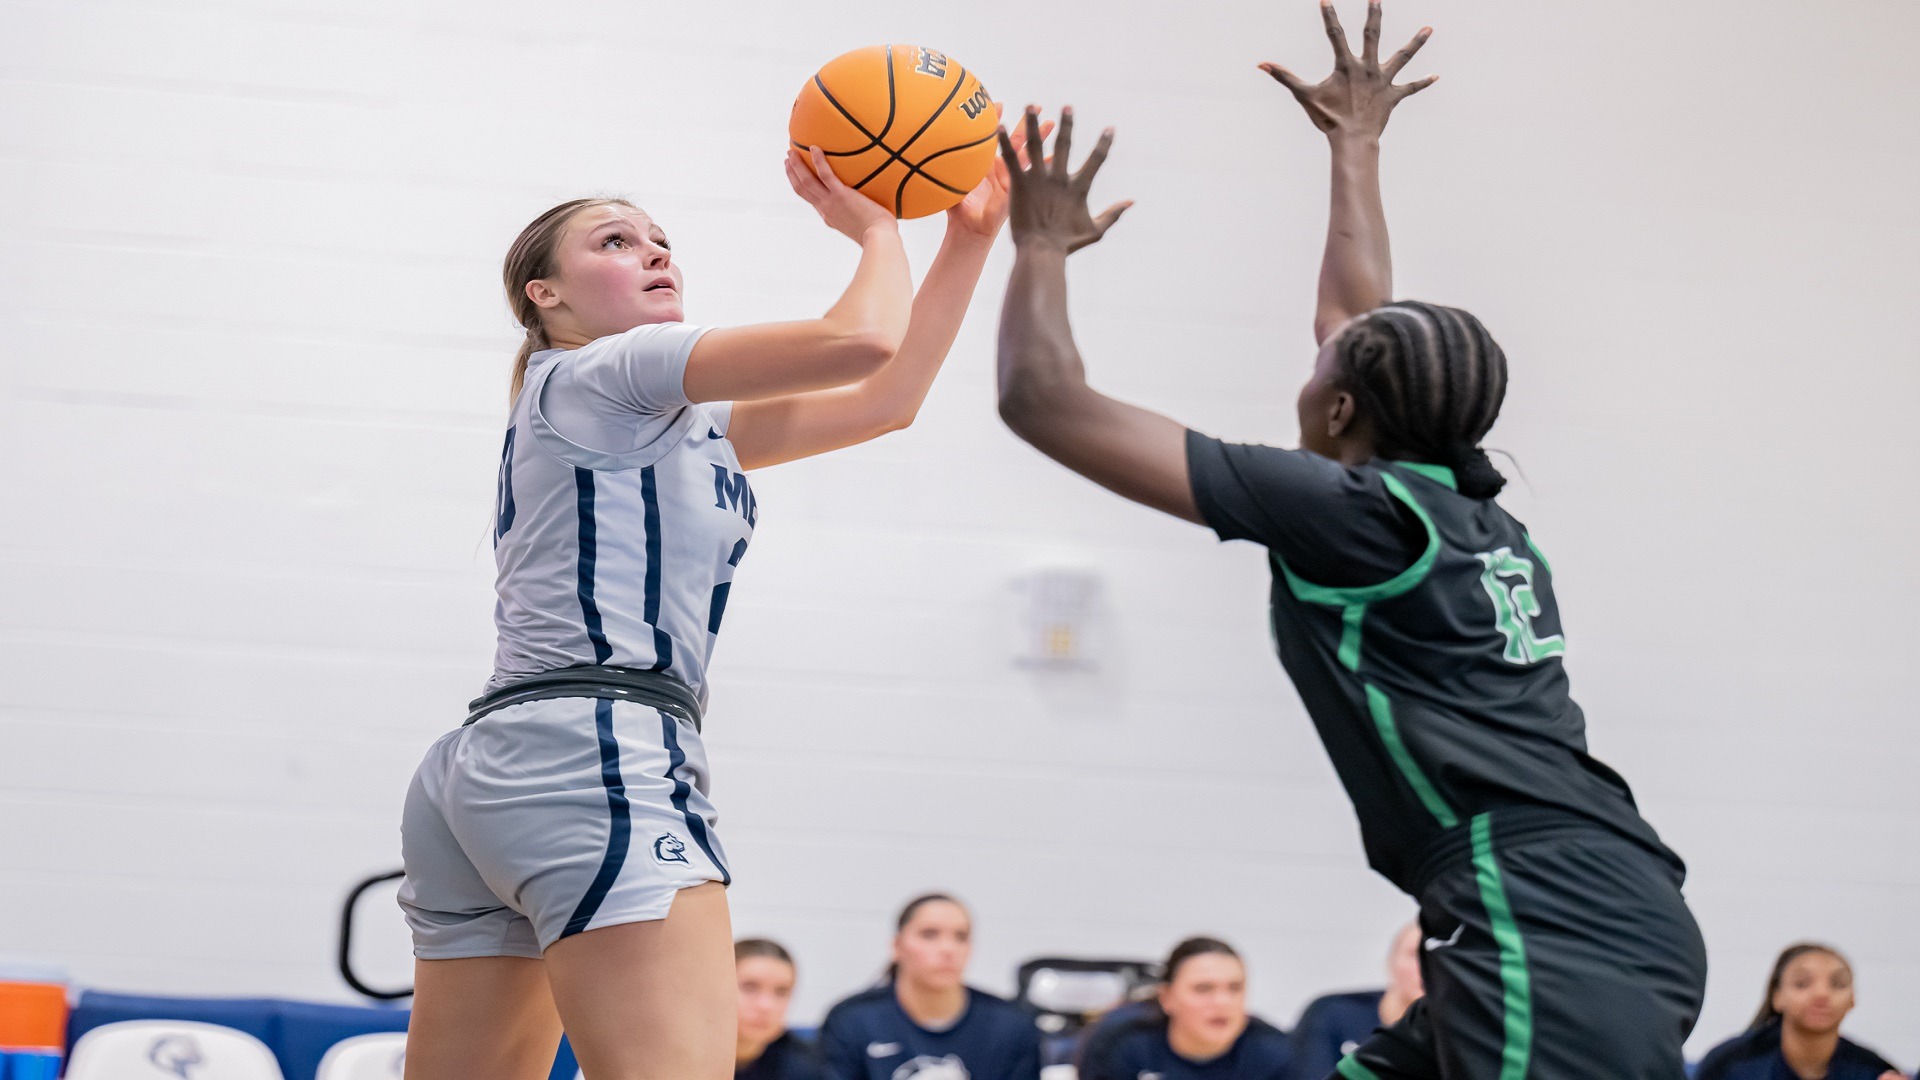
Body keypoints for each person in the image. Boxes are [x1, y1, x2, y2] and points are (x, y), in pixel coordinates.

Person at [991, 3, 1708, 1076]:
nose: (1315, 356)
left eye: (1322, 370)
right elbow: (1353, 327)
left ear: (1337, 412)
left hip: (1544, 917)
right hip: (1582, 902)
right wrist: (1355, 144)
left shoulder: (1360, 517)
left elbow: (1043, 400)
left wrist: (1040, 246)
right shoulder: (1460, 510)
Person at [399, 120, 1035, 1080]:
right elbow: (860, 339)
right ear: (545, 293)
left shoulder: (653, 411)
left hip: (490, 767)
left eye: (661, 239)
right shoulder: (612, 367)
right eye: (616, 240)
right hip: (595, 752)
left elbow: (885, 399)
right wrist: (875, 226)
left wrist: (970, 237)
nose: (655, 251)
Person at [818, 894, 1042, 1080]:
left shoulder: (1011, 1025)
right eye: (929, 934)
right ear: (897, 946)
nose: (948, 949)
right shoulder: (853, 1020)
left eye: (961, 936)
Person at [1078, 937, 1291, 1080]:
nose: (1222, 1002)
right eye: (1204, 989)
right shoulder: (1120, 1042)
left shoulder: (1276, 1052)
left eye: (1235, 988)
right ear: (1167, 997)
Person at [1693, 944, 1903, 1080]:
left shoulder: (1873, 1070)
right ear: (1777, 996)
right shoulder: (1729, 1065)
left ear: (1852, 999)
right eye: (1802, 984)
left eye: (1838, 984)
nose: (1822, 994)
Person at [1290, 923, 1423, 1077]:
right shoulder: (1334, 1013)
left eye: (1436, 958)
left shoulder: (1446, 1034)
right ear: (1391, 961)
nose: (1425, 967)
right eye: (1414, 954)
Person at [736, 939, 832, 1080]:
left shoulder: (810, 1066)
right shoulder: (699, 1060)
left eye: (781, 992)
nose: (766, 1005)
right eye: (749, 987)